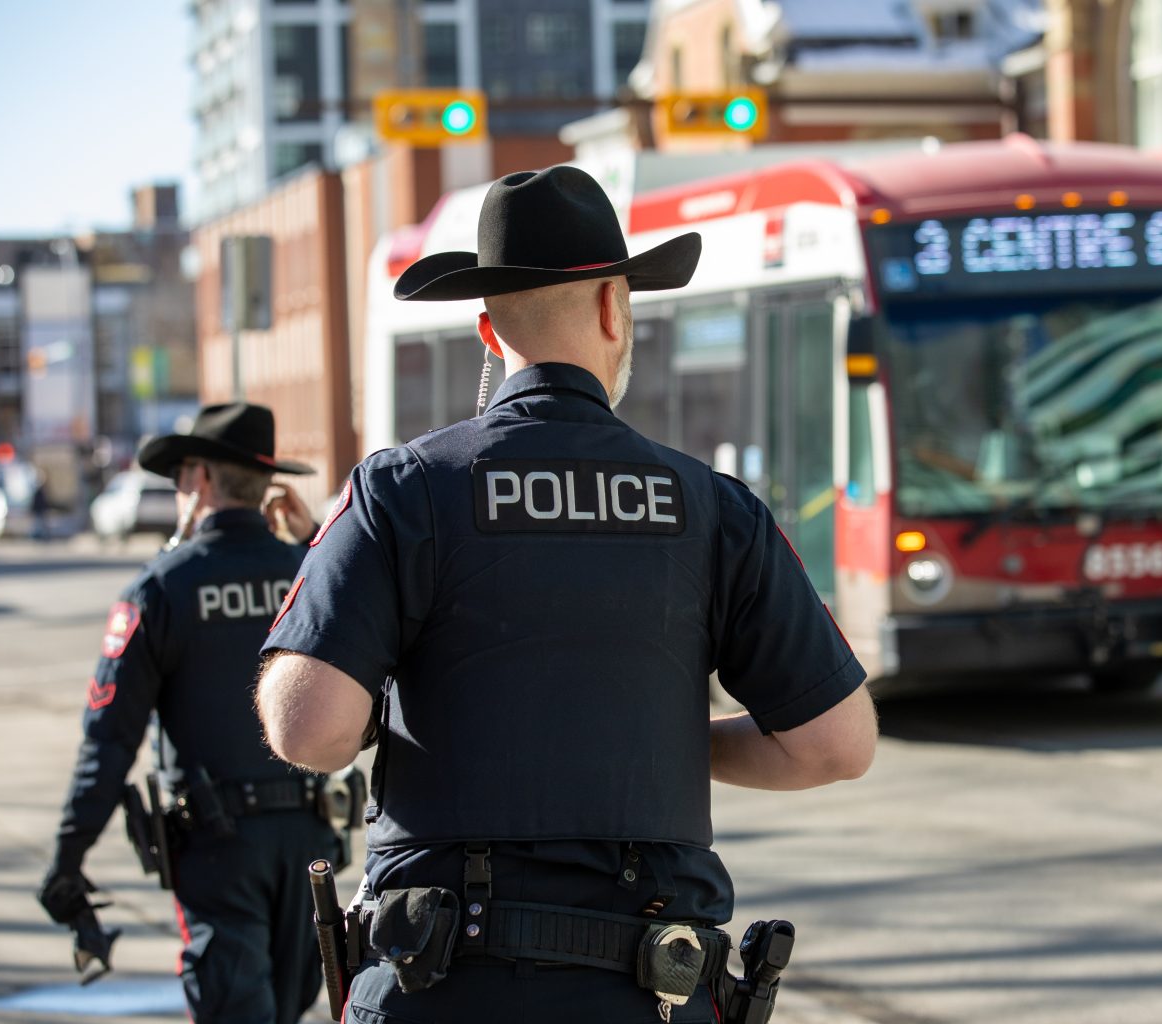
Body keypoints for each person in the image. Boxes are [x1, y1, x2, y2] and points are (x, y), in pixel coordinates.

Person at [256, 165, 878, 1022]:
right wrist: (652, 739)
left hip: (444, 985)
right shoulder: (711, 507)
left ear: (487, 329)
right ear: (614, 310)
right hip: (647, 989)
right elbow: (835, 744)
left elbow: (308, 729)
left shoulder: (403, 490)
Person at [37, 402, 343, 1024]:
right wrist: (319, 544)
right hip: (310, 847)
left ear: (201, 478)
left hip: (218, 851)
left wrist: (68, 861)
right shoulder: (311, 572)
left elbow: (109, 741)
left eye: (181, 477)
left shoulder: (161, 589)